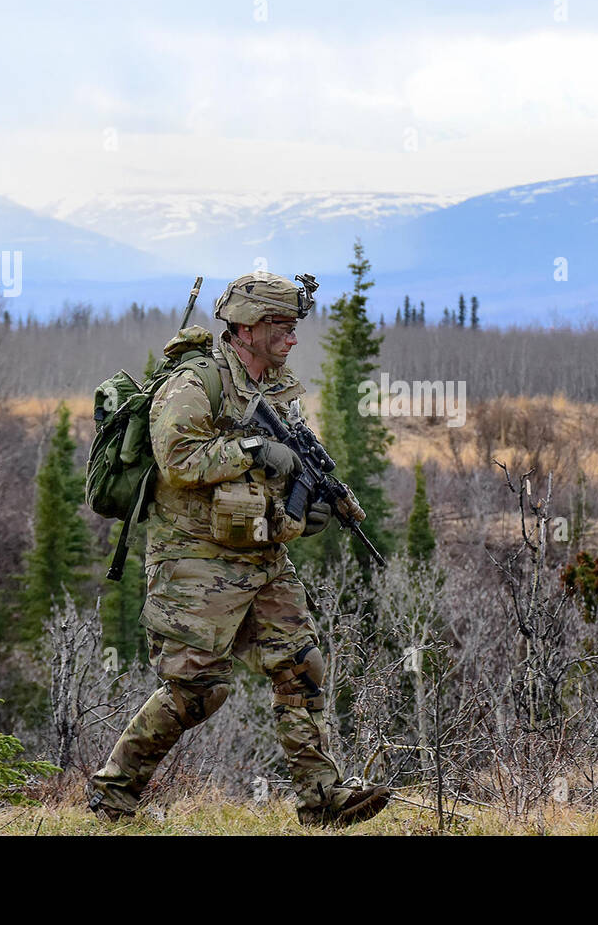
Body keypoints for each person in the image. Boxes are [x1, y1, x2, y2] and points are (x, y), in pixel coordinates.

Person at [86, 271, 390, 828]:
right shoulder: (195, 381)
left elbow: (291, 460)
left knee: (302, 666)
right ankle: (114, 790)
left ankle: (323, 797)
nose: (293, 338)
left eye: (295, 327)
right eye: (282, 326)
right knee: (198, 688)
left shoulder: (277, 386)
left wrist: (307, 508)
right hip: (195, 557)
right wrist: (253, 449)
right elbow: (179, 460)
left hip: (262, 554)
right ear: (248, 327)